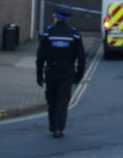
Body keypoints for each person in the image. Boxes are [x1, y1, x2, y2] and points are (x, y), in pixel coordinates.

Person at [36, 8, 86, 138]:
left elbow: (40, 55)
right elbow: (81, 57)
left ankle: (53, 125)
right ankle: (59, 128)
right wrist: (79, 75)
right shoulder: (73, 34)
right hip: (68, 71)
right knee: (63, 100)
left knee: (52, 99)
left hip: (51, 70)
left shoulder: (48, 33)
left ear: (56, 18)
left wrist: (39, 74)